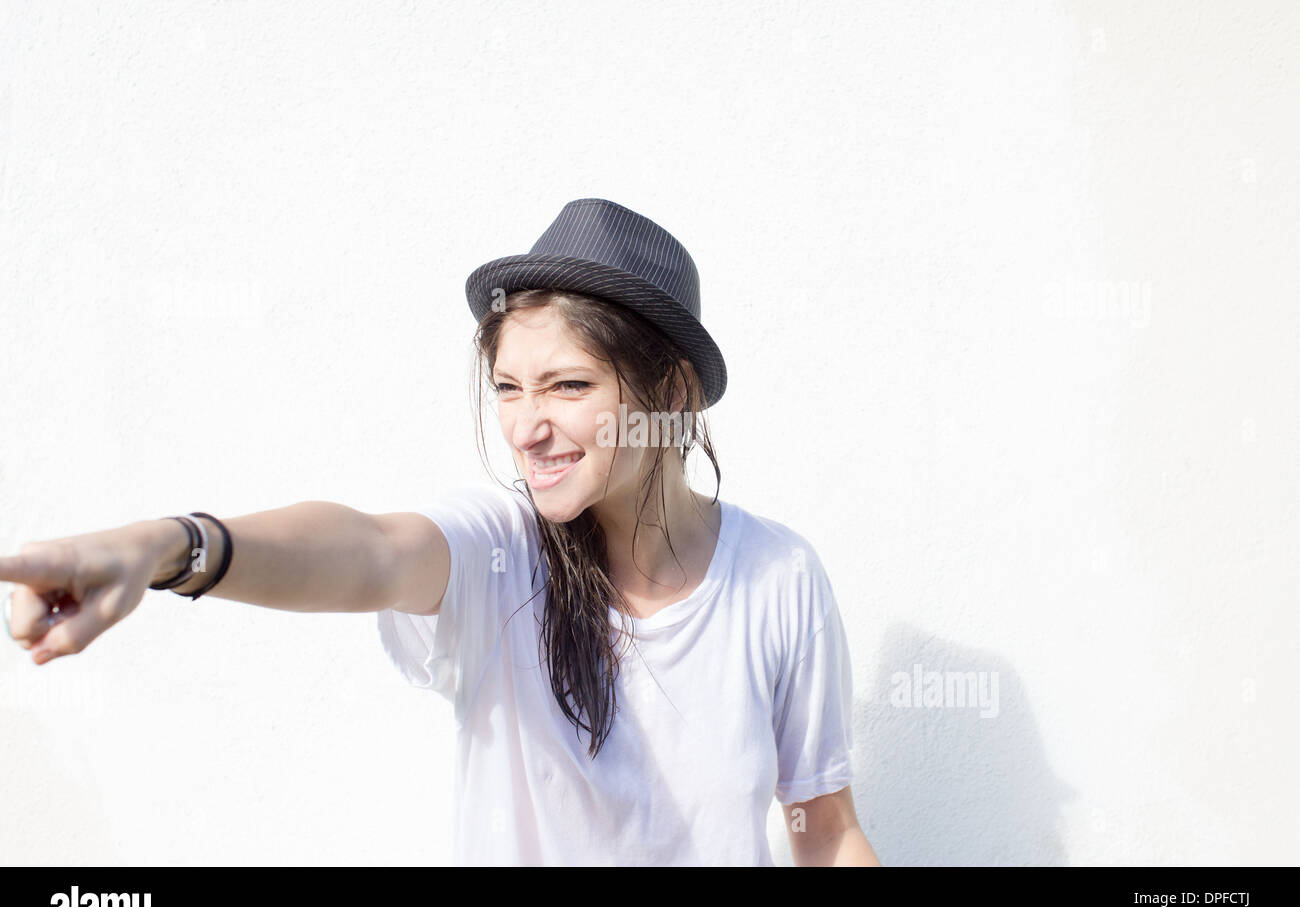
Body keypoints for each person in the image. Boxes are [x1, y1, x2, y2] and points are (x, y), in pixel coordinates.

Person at [1, 198, 881, 867]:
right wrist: (167, 547)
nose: (528, 427)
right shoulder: (502, 552)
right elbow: (371, 551)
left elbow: (825, 827)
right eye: (508, 388)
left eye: (568, 387)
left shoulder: (777, 577)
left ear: (674, 393)